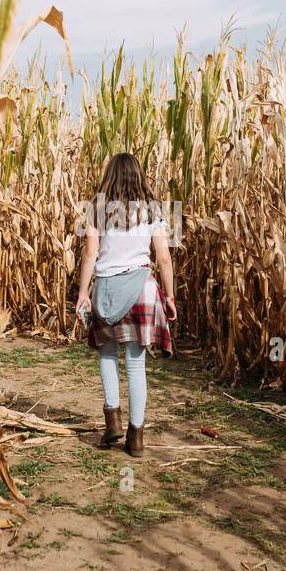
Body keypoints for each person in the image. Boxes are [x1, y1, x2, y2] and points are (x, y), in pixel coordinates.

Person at [74, 153, 176, 457]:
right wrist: (169, 296)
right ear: (138, 176)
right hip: (142, 290)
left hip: (107, 288)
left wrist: (83, 293)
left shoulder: (98, 209)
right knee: (135, 365)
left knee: (107, 355)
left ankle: (113, 421)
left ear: (110, 176)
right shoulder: (152, 210)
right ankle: (136, 439)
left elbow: (90, 254)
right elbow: (164, 257)